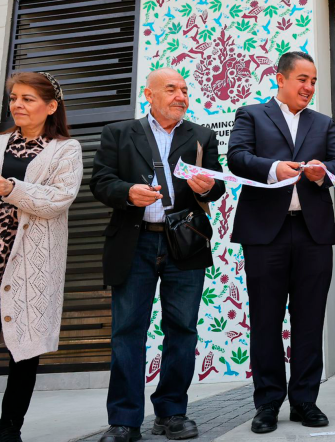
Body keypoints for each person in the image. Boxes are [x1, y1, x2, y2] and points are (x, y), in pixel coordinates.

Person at [90, 68, 225, 442]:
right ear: (149, 95)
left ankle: (172, 413)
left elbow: (215, 190)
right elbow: (100, 181)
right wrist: (127, 193)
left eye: (185, 89)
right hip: (134, 243)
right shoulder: (118, 133)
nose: (181, 95)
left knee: (182, 330)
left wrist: (210, 187)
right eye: (172, 89)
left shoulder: (202, 135)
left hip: (184, 244)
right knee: (127, 332)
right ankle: (124, 421)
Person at [227, 51, 335, 434]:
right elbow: (236, 157)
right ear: (279, 79)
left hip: (313, 233)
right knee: (265, 321)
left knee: (309, 322)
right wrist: (272, 168)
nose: (309, 88)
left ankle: (305, 402)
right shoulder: (252, 115)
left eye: (314, 81)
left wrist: (321, 173)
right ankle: (267, 404)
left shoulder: (323, 122)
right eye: (302, 79)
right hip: (266, 234)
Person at [0, 72, 83, 442]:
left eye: (27, 98)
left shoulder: (65, 150)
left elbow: (58, 200)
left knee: (23, 353)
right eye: (13, 98)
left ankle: (9, 428)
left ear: (51, 106)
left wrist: (12, 188)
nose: (17, 105)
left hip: (31, 266)